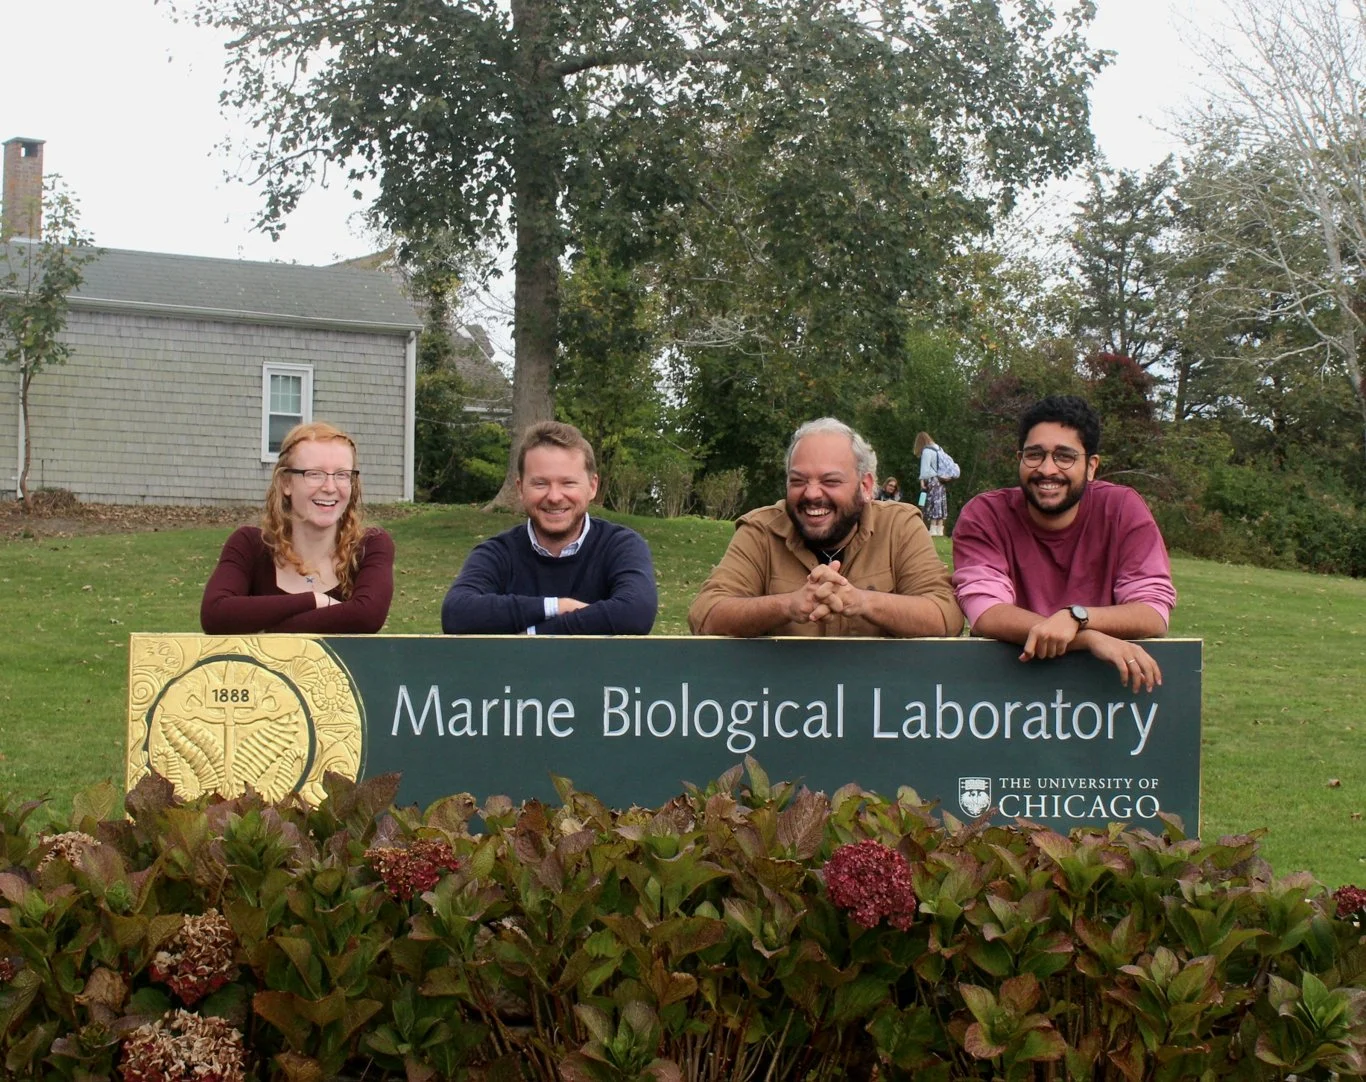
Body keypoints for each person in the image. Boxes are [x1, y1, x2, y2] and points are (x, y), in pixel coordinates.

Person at [950, 395, 1176, 690]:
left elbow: (1152, 611)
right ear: (1020, 459)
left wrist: (1075, 618)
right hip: (1003, 694)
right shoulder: (984, 516)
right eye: (1034, 455)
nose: (1047, 469)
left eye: (1064, 456)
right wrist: (1087, 637)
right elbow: (986, 613)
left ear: (1092, 466)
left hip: (1102, 693)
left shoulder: (1123, 510)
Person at [688, 418, 962, 638]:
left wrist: (861, 602)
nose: (811, 494)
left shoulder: (900, 526)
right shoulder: (760, 530)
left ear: (866, 487)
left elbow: (946, 614)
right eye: (798, 481)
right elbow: (706, 613)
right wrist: (787, 605)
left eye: (830, 481)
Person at [441, 421, 657, 635]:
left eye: (568, 483)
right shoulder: (498, 553)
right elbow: (456, 613)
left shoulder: (621, 546)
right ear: (520, 489)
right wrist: (558, 606)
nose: (554, 497)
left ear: (592, 487)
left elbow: (636, 613)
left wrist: (534, 633)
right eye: (540, 484)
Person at [201, 421, 394, 634]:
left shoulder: (370, 546)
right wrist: (315, 600)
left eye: (341, 475)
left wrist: (269, 630)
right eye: (314, 474)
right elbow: (215, 613)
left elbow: (366, 617)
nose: (330, 487)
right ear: (285, 483)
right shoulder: (250, 545)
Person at [915, 431, 951, 536]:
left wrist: (922, 481)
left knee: (933, 503)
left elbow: (925, 469)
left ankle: (933, 528)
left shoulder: (927, 451)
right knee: (940, 503)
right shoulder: (939, 448)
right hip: (941, 480)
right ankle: (940, 529)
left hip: (932, 479)